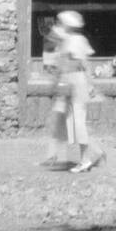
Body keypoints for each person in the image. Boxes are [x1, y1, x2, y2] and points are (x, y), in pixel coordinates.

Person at [56, 11, 106, 173]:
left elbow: (84, 64)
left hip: (78, 82)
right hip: (71, 82)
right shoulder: (70, 40)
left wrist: (90, 85)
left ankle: (85, 159)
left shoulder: (76, 41)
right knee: (74, 122)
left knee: (78, 122)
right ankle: (96, 152)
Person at [39, 22, 71, 168]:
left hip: (65, 93)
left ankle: (59, 158)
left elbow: (64, 73)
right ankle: (53, 156)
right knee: (58, 126)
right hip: (61, 92)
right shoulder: (60, 50)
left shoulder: (65, 52)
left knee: (60, 126)